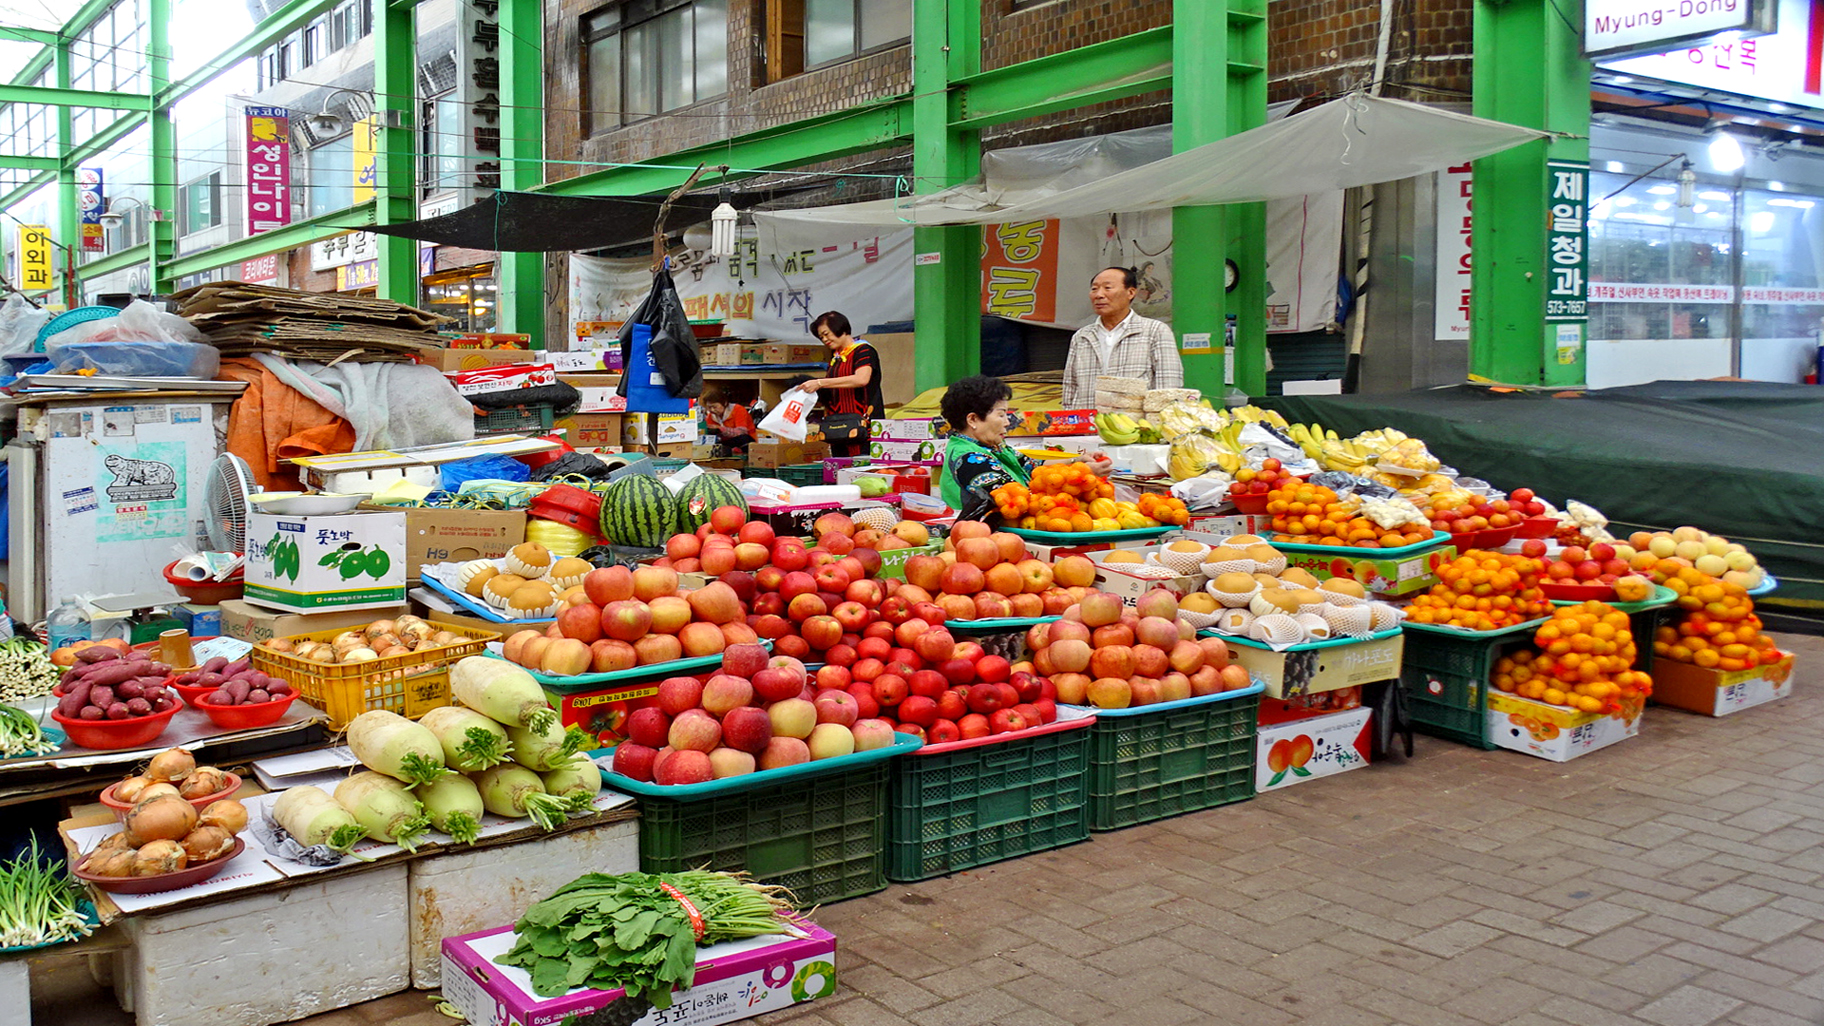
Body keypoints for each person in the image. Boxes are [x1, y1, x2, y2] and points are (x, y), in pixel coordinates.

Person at [940, 375, 1112, 520]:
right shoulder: (969, 459)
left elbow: (1032, 467)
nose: (1007, 422)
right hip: (989, 537)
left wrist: (1078, 461)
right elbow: (1013, 502)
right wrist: (1080, 477)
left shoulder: (995, 447)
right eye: (1001, 415)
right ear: (973, 420)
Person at [1061, 266, 1183, 409]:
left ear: (1130, 292)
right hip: (1087, 427)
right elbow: (1070, 388)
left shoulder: (1155, 331)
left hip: (1135, 428)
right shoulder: (1082, 336)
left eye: (1108, 288)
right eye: (1094, 289)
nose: (1099, 295)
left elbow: (1168, 389)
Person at [799, 311, 883, 459]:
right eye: (821, 337)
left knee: (863, 467)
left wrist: (820, 383)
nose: (825, 339)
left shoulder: (864, 350)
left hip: (862, 424)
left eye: (826, 334)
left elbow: (861, 379)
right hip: (838, 427)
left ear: (840, 328)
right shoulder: (836, 358)